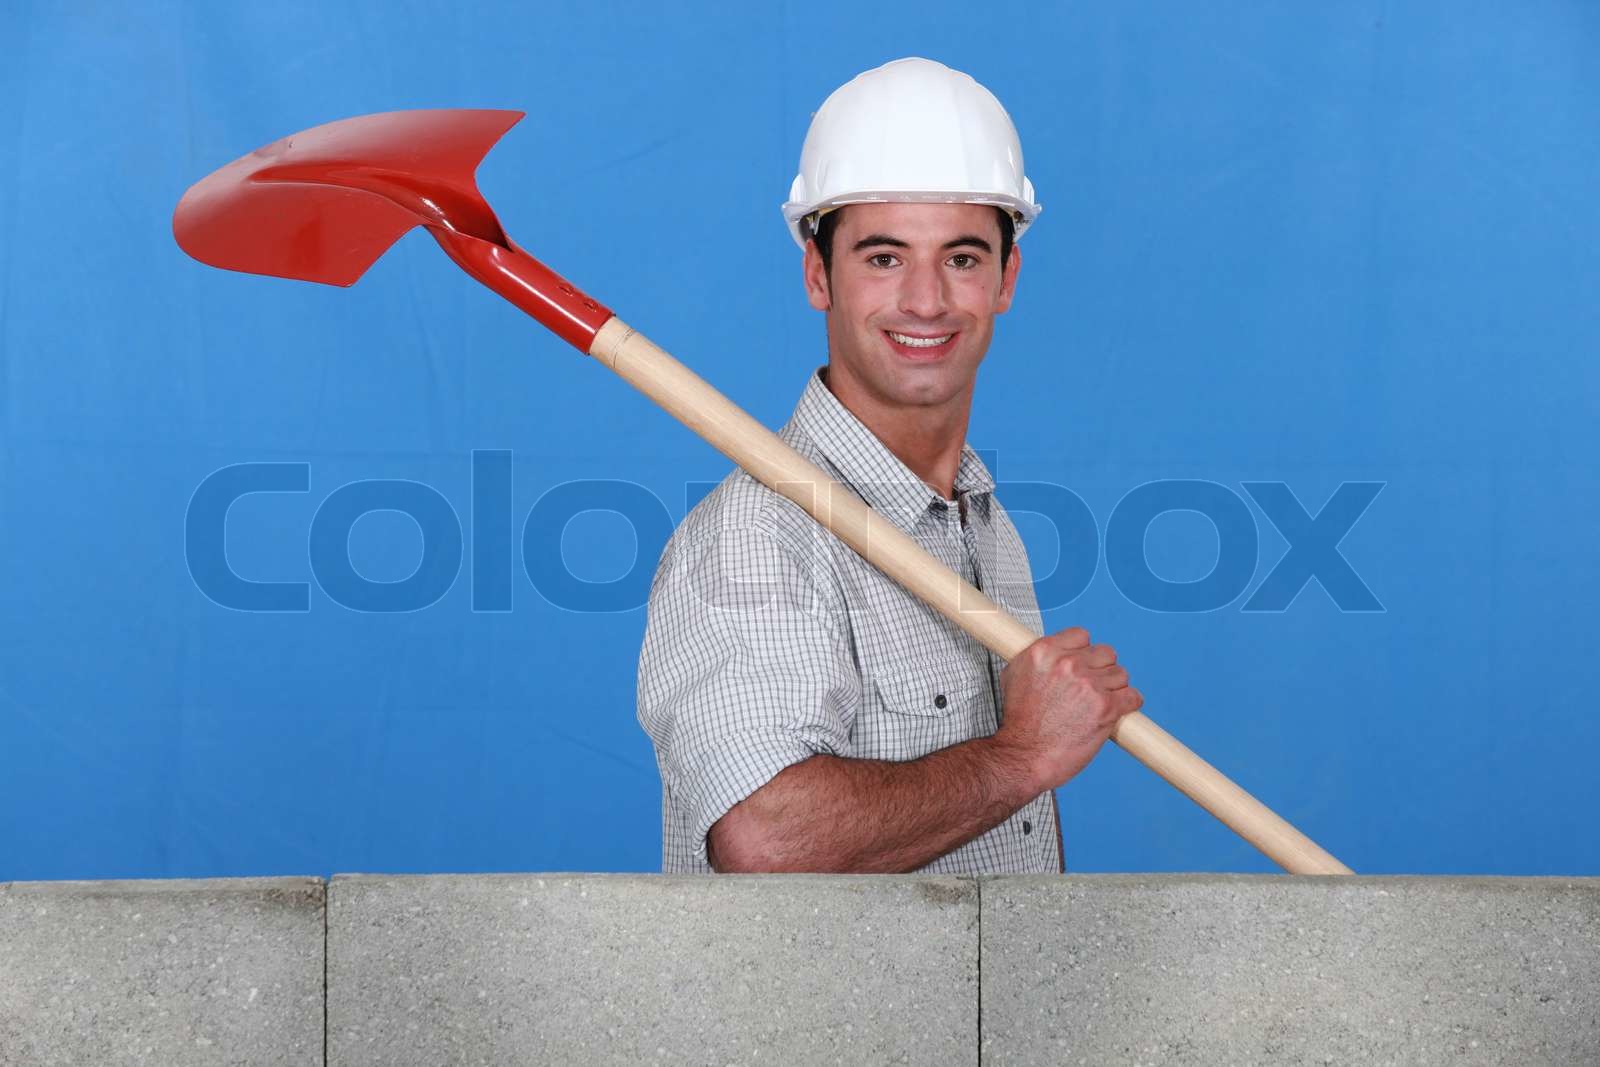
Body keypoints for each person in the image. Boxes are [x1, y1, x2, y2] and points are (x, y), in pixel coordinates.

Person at [636, 57, 1142, 874]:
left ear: (1006, 279)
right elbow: (766, 841)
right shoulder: (756, 536)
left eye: (963, 258)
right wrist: (1020, 758)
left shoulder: (983, 523)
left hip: (993, 1004)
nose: (926, 300)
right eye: (883, 257)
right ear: (817, 274)